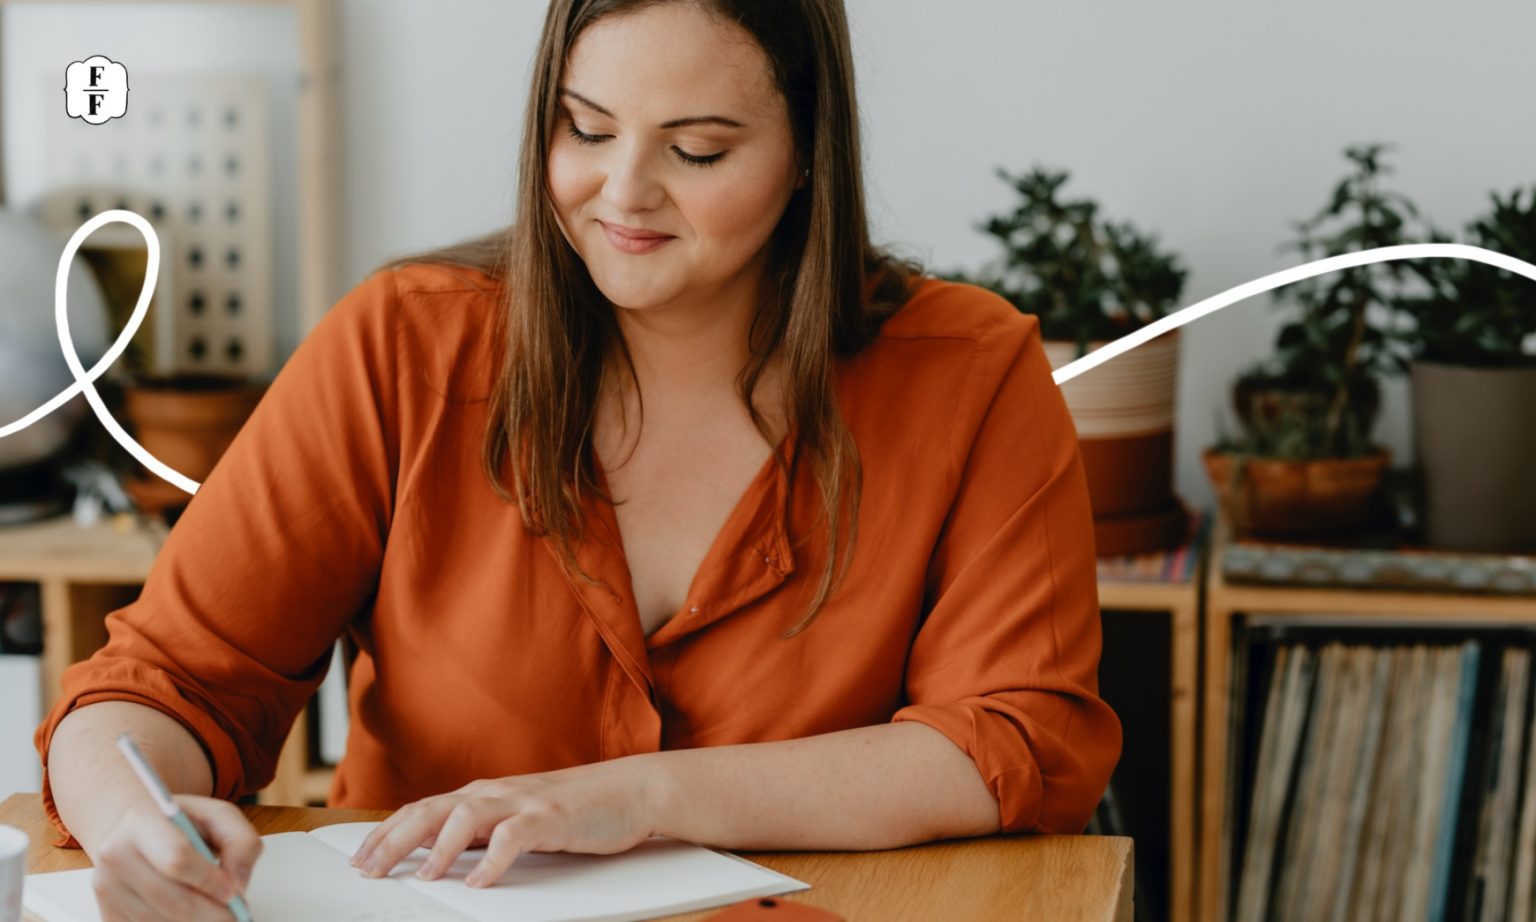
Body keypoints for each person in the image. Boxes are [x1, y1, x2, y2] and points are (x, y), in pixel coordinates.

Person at [36, 0, 1122, 917]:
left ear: (807, 155)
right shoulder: (404, 346)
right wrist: (134, 818)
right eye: (585, 129)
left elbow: (1015, 738)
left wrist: (635, 796)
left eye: (698, 150)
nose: (624, 193)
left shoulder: (971, 373)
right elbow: (163, 684)